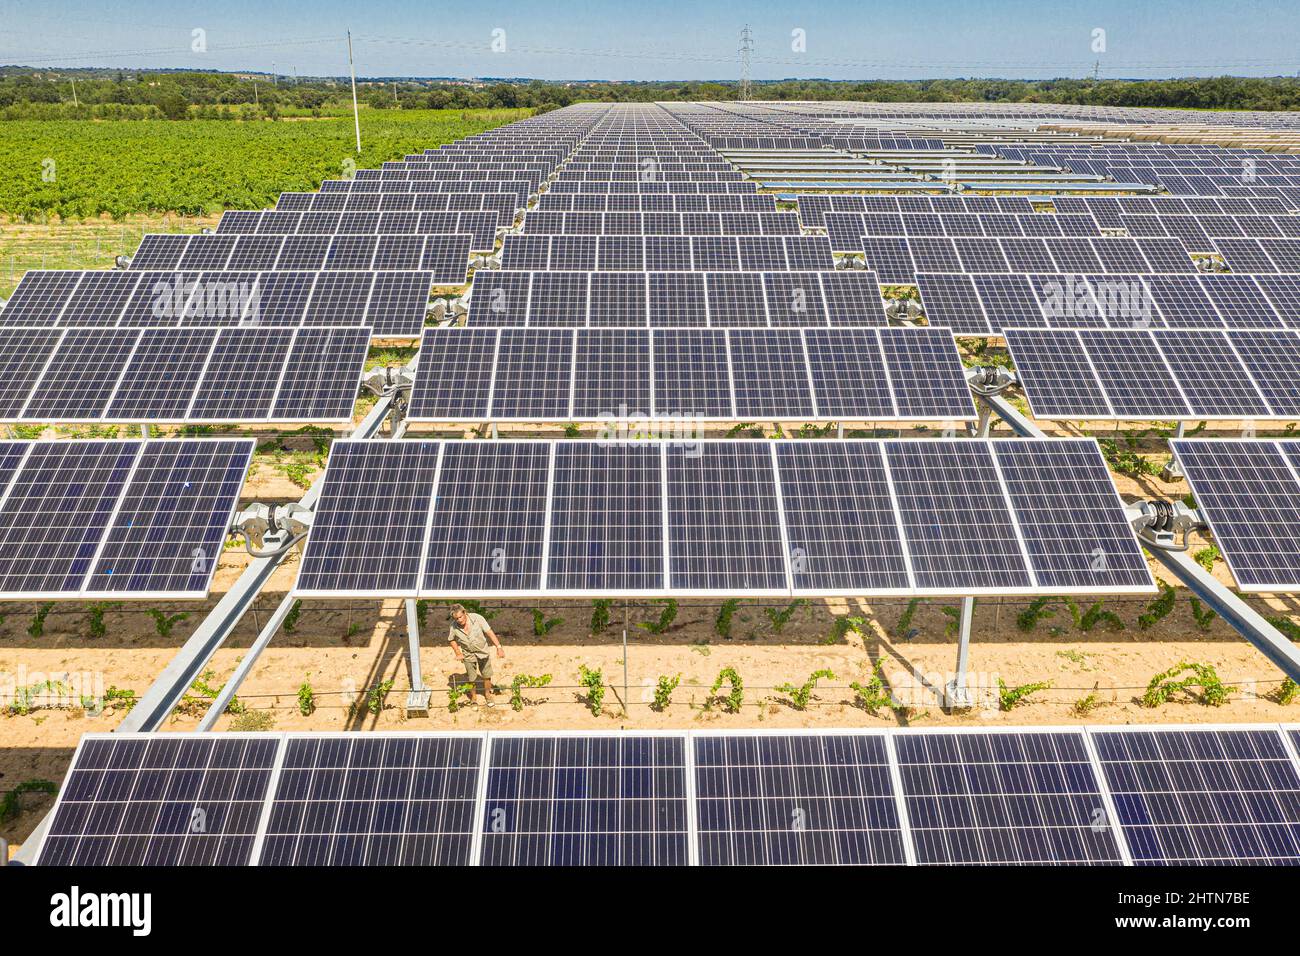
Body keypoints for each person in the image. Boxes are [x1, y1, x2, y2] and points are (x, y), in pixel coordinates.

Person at [447, 603, 505, 707]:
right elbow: (451, 640)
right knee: (471, 678)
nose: (459, 620)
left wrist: (499, 647)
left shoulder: (477, 618)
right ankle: (473, 698)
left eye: (460, 617)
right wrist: (458, 652)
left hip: (482, 651)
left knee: (487, 675)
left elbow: (489, 632)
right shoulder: (453, 626)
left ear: (465, 613)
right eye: (456, 618)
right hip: (468, 654)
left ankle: (487, 695)